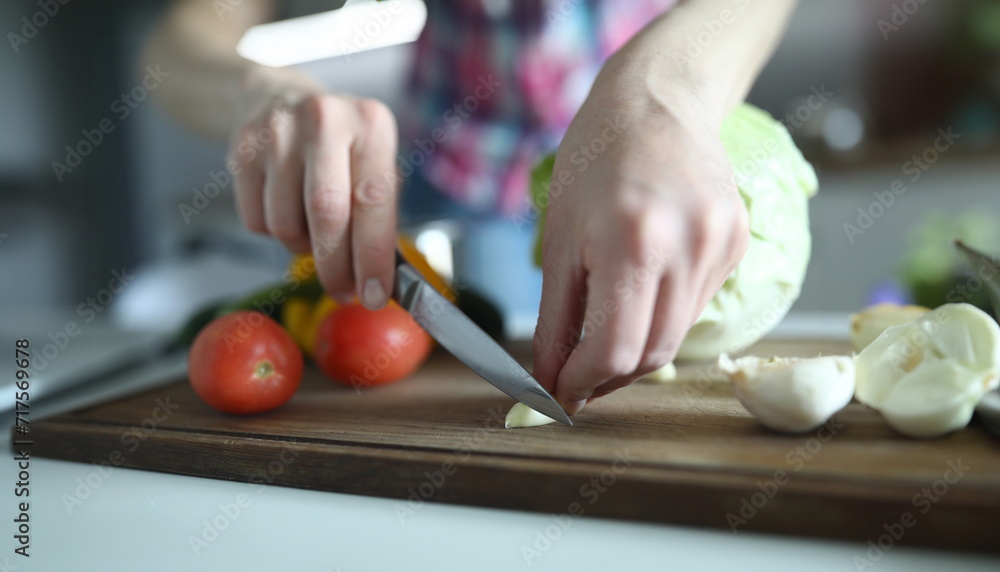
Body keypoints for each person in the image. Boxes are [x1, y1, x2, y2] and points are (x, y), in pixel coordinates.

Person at [145, 0, 798, 416]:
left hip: (655, 180)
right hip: (455, 184)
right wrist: (255, 92)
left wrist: (665, 94)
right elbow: (179, 42)